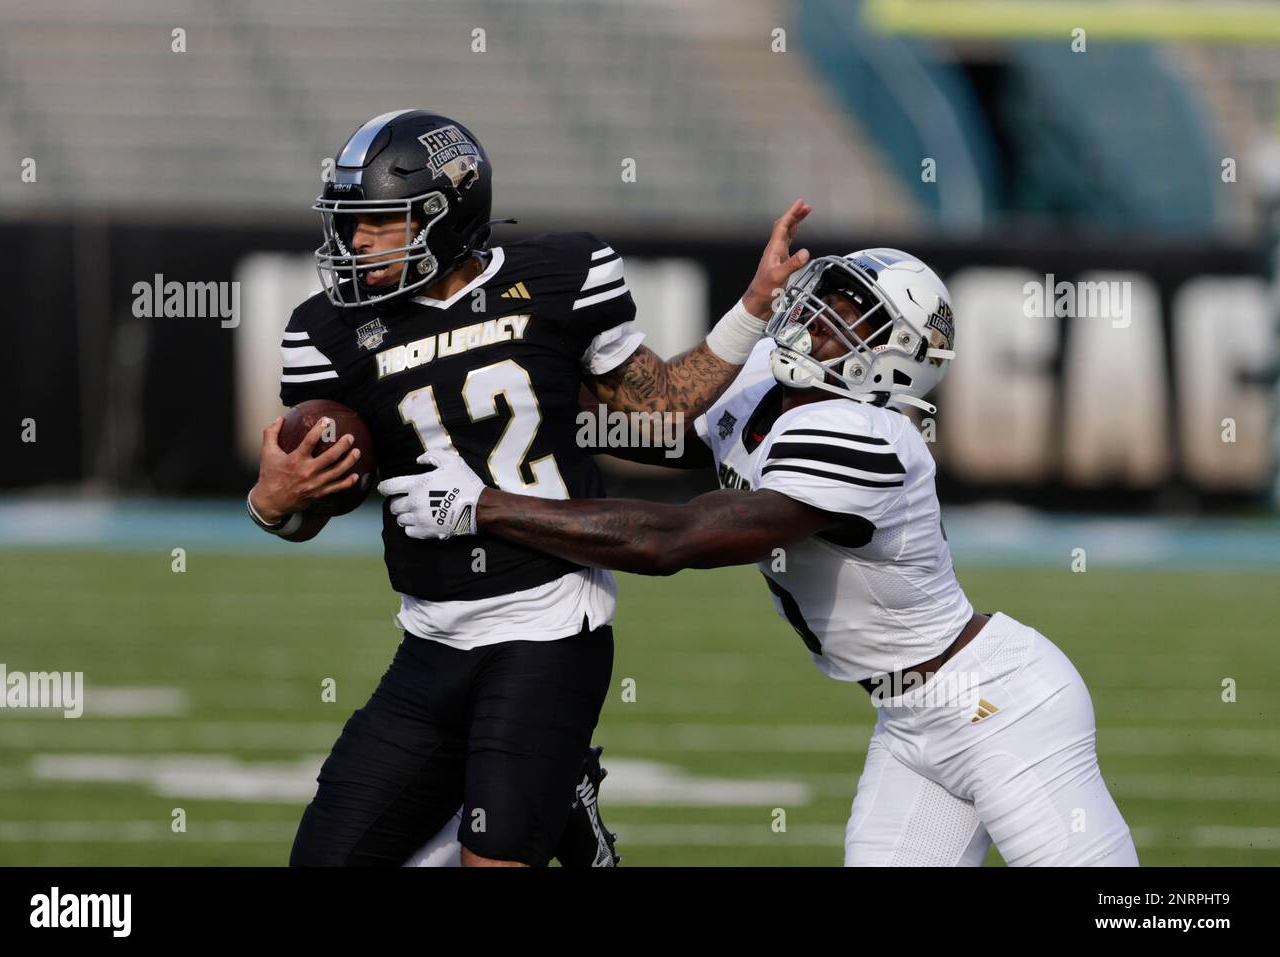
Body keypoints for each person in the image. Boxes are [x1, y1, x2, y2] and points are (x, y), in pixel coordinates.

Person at [389, 248, 1140, 866]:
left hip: (996, 705)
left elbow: (674, 539)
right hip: (909, 722)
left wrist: (484, 506)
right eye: (830, 297)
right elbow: (633, 428)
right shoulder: (764, 391)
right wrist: (460, 411)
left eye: (852, 316)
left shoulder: (866, 435)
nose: (820, 318)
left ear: (896, 359)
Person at [245, 108, 812, 866]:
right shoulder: (327, 331)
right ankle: (562, 798)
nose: (354, 243)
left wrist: (752, 309)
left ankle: (556, 799)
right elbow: (312, 506)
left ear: (444, 214)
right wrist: (273, 506)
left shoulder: (557, 274)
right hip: (430, 635)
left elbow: (660, 402)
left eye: (379, 222)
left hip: (549, 624)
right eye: (350, 223)